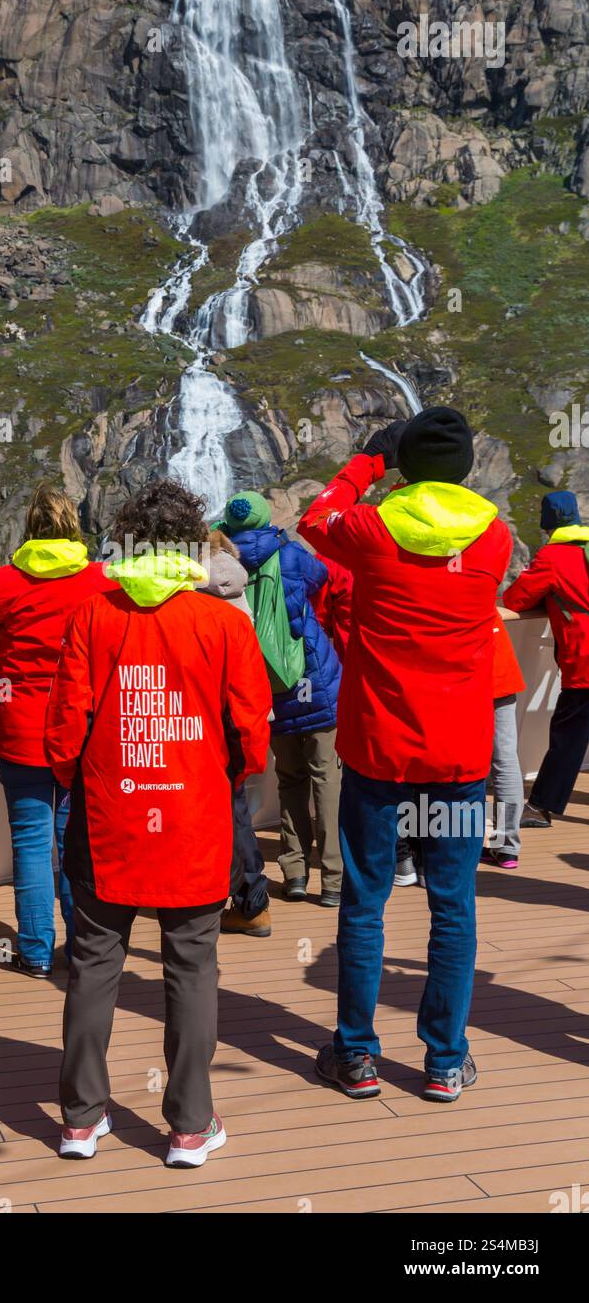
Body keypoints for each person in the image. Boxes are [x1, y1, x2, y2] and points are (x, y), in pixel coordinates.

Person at [45, 481, 271, 1167]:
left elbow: (63, 732)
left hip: (109, 817)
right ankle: (189, 1126)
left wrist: (82, 778)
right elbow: (252, 731)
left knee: (93, 963)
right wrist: (226, 780)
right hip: (194, 818)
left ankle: (81, 1119)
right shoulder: (225, 623)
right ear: (189, 545)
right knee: (192, 967)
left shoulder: (92, 616)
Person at [299, 408, 511, 1102]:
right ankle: (444, 1061)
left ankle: (356, 1056)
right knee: (453, 907)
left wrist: (367, 462)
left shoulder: (370, 528)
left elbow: (314, 520)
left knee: (366, 903)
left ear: (407, 463)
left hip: (379, 755)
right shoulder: (496, 537)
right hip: (457, 759)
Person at [0, 484, 110, 978]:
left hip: (20, 730)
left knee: (31, 843)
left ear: (30, 528)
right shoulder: (99, 580)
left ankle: (35, 952)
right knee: (74, 840)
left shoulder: (2, 581)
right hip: (79, 728)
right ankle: (83, 946)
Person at [216, 491, 343, 907]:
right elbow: (321, 576)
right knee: (325, 775)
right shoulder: (288, 556)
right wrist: (284, 540)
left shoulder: (224, 564)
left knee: (289, 778)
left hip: (266, 687)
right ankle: (333, 878)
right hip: (312, 676)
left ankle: (294, 874)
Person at [197, 530, 270, 937]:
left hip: (205, 711)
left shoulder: (193, 588)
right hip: (238, 713)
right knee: (235, 807)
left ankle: (210, 898)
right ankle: (252, 899)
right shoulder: (237, 581)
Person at [503, 490, 589, 827]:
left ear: (548, 524)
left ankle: (540, 807)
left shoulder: (553, 557)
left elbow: (516, 598)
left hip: (584, 660)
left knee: (569, 735)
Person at [482, 612, 526, 868]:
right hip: (500, 669)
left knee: (468, 765)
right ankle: (507, 847)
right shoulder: (481, 576)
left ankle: (471, 842)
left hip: (465, 677)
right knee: (506, 760)